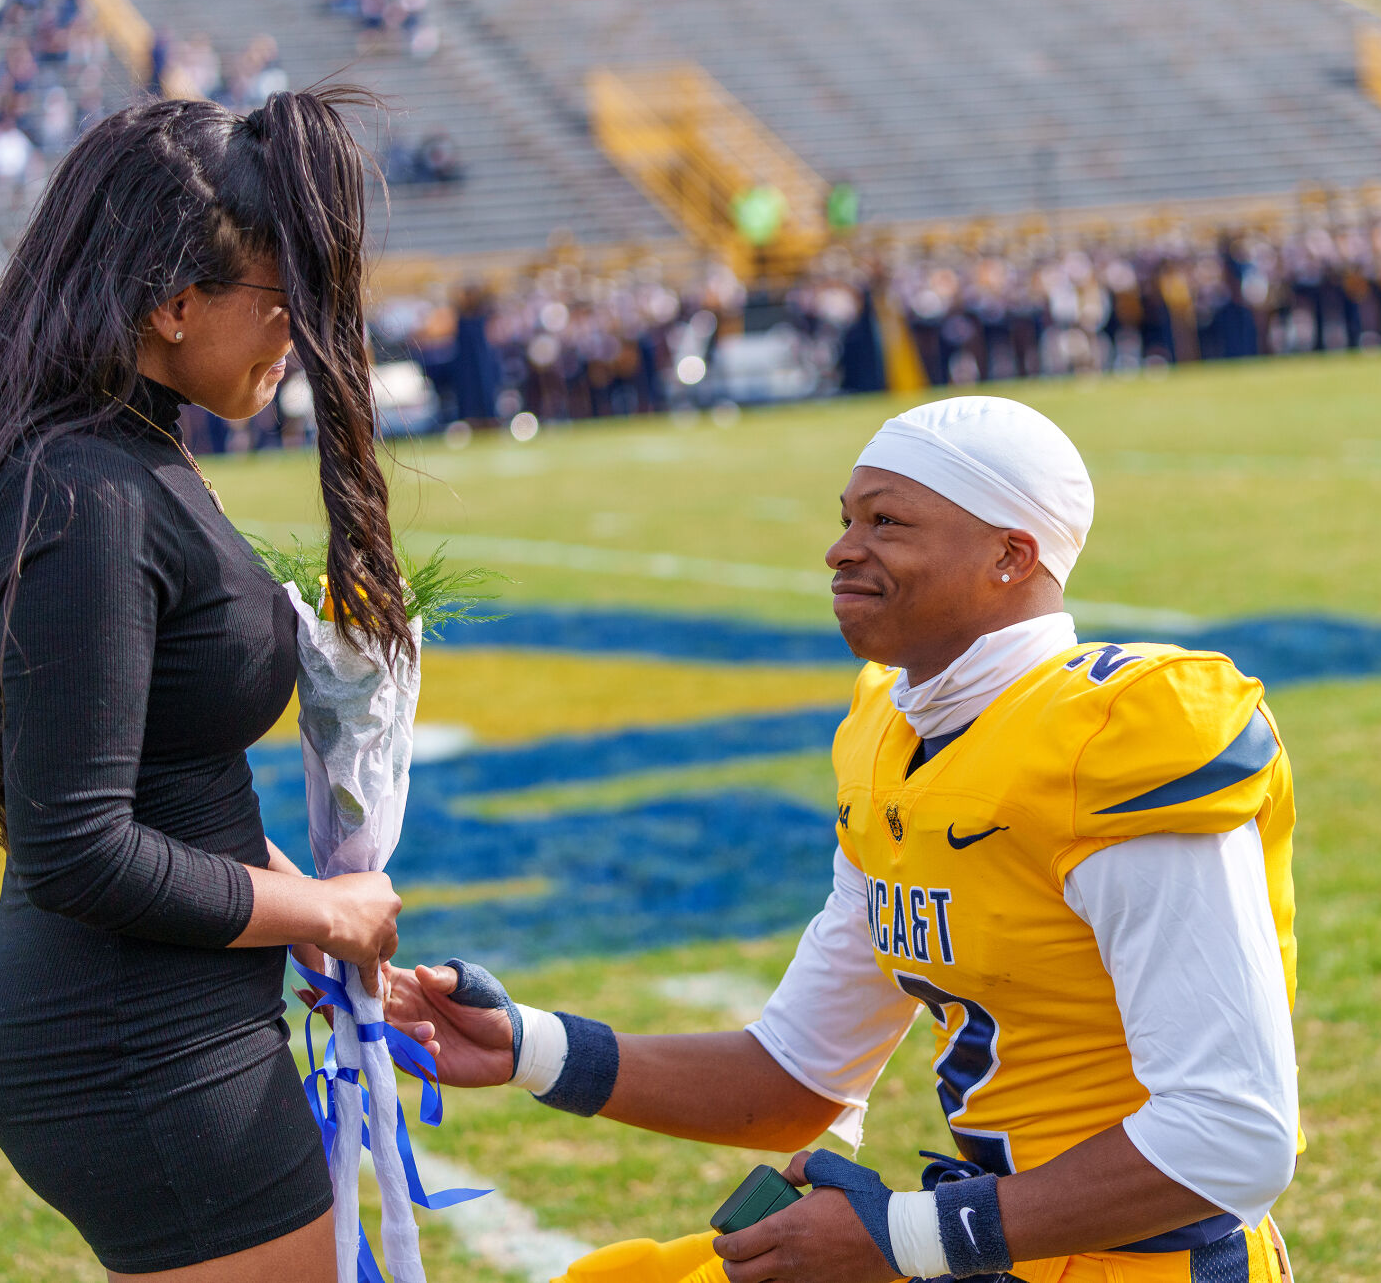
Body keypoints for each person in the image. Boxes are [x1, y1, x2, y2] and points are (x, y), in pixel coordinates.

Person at [385, 394, 1302, 1283]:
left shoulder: (1119, 737)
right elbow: (793, 1075)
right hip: (999, 1246)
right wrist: (527, 1047)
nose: (841, 549)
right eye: (847, 519)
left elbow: (1230, 1137)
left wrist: (903, 1238)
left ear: (1010, 556)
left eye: (886, 523)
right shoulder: (893, 736)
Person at [0, 89, 412, 1282]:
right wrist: (323, 913)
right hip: (132, 1049)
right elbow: (81, 846)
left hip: (167, 1018)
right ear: (173, 306)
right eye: (282, 304)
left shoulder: (127, 448)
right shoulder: (83, 489)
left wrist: (295, 893)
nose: (300, 338)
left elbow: (169, 777)